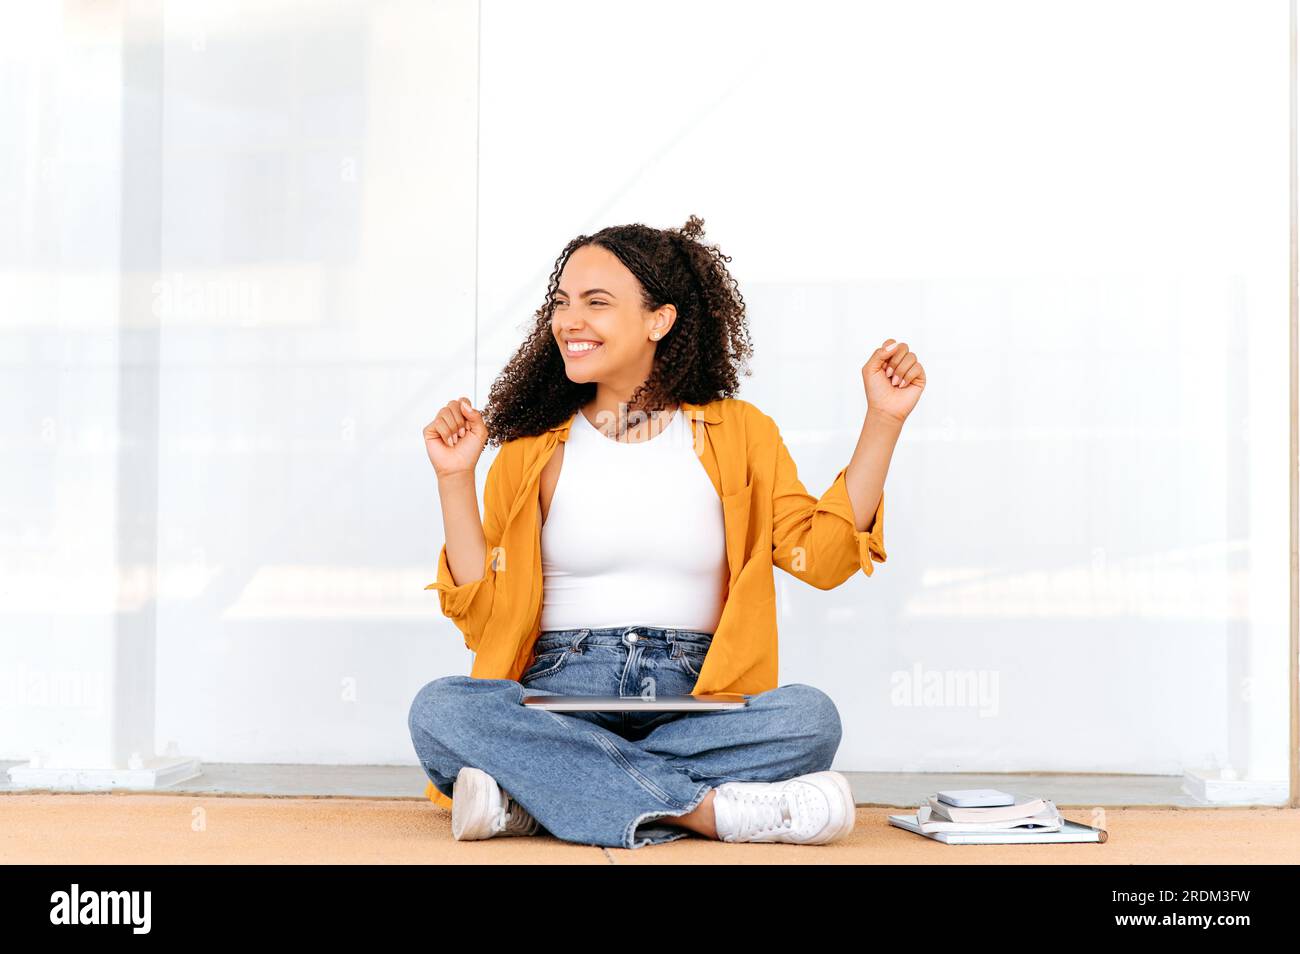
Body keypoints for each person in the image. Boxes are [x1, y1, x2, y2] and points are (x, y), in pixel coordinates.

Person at [409, 215, 925, 848]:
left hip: (698, 696)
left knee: (810, 720)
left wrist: (882, 421)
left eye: (597, 303)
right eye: (562, 302)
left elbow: (821, 559)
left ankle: (534, 797)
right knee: (442, 710)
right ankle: (699, 811)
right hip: (561, 690)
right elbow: (485, 623)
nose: (570, 320)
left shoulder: (739, 434)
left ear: (660, 320)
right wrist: (454, 479)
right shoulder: (530, 451)